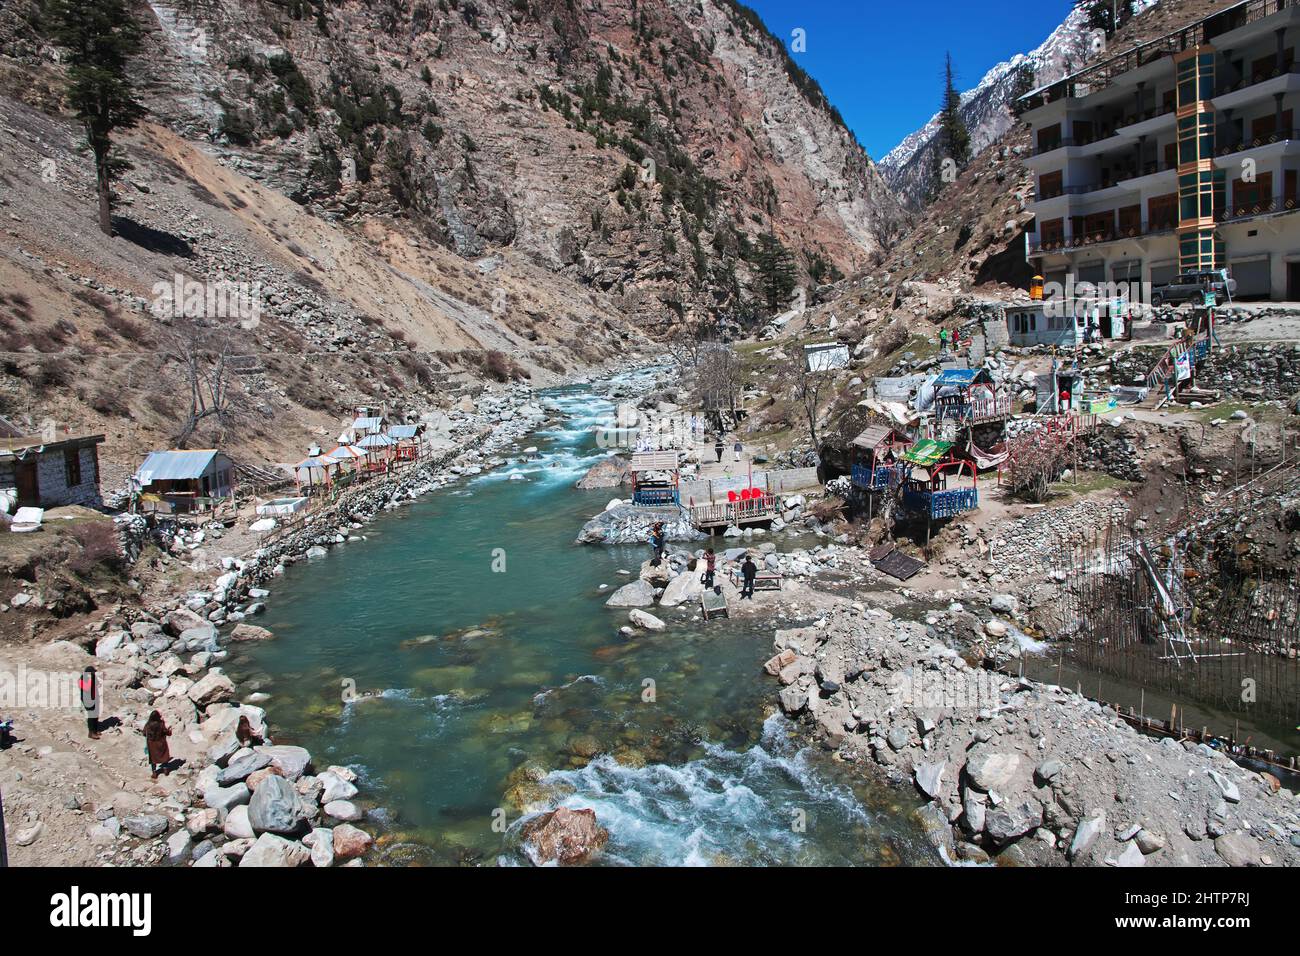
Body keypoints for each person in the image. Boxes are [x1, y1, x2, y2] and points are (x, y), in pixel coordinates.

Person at [144, 710, 172, 779]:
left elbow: (144, 733)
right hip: (161, 743)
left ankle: (154, 773)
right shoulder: (161, 724)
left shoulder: (148, 724)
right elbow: (166, 732)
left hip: (152, 744)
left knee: (153, 759)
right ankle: (165, 770)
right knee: (164, 756)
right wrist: (169, 730)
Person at [80, 666, 100, 740]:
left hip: (94, 698)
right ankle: (91, 733)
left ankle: (95, 730)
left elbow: (97, 684)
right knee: (91, 716)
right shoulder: (82, 679)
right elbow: (87, 689)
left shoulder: (93, 677)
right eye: (92, 672)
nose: (94, 673)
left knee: (96, 715)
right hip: (87, 700)